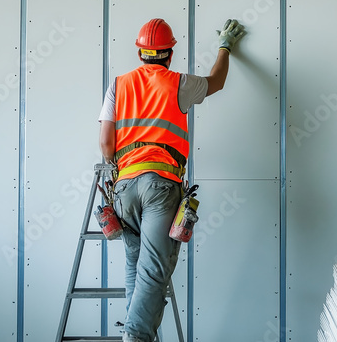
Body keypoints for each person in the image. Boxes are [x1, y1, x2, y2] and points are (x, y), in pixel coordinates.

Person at [98, 18, 246, 341]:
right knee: (153, 270)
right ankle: (134, 338)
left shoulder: (118, 85)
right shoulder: (178, 83)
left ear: (141, 54)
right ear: (169, 54)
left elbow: (106, 145)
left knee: (136, 266)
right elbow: (216, 82)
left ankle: (134, 333)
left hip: (123, 188)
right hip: (160, 187)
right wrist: (225, 46)